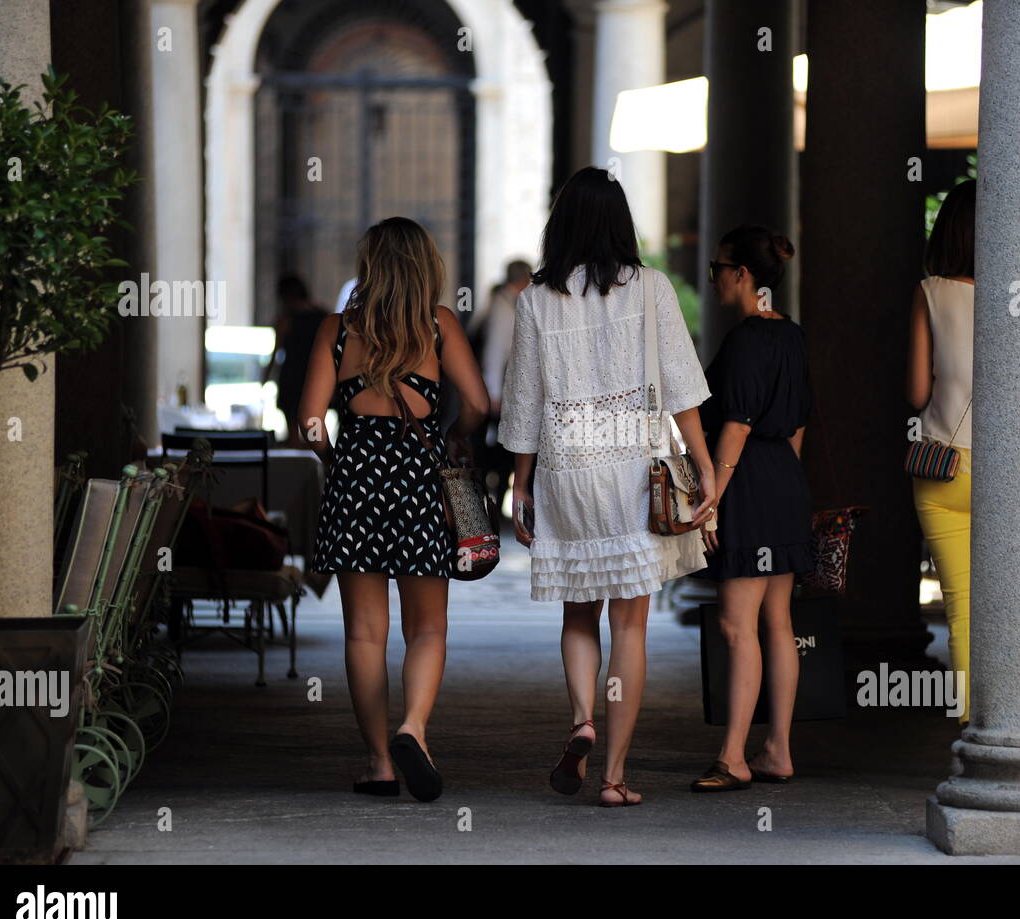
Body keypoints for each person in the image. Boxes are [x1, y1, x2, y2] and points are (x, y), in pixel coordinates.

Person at [497, 167, 718, 807]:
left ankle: (581, 720)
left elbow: (525, 401)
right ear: (621, 223)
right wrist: (702, 463)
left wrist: (521, 484)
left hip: (567, 470)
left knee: (577, 610)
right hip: (634, 472)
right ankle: (616, 775)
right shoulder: (650, 289)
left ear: (559, 225)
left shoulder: (535, 300)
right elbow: (680, 384)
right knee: (631, 627)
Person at [298, 217, 490, 801]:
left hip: (356, 484)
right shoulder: (438, 326)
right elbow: (481, 404)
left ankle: (380, 763)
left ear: (370, 266)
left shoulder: (338, 328)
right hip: (420, 484)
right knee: (428, 627)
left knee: (363, 634)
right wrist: (452, 435)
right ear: (424, 267)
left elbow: (308, 422)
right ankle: (415, 729)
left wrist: (337, 459)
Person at [687, 225, 813, 793]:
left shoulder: (744, 341)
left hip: (746, 484)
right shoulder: (792, 336)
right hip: (785, 479)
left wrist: (712, 500)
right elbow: (800, 423)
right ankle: (777, 751)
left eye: (717, 269)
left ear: (742, 275)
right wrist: (785, 481)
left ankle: (734, 757)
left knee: (737, 625)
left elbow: (734, 426)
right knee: (778, 624)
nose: (711, 279)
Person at [906, 178, 975, 726]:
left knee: (961, 610)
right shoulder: (1018, 290)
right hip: (1006, 472)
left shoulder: (929, 290)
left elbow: (916, 394)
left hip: (941, 467)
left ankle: (970, 731)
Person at [474, 259, 533, 500]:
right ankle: (497, 500)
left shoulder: (507, 302)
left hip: (506, 388)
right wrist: (494, 393)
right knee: (501, 449)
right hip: (502, 392)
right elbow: (495, 352)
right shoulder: (504, 305)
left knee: (502, 447)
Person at [264, 275, 328, 448]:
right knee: (315, 428)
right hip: (317, 378)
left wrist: (266, 376)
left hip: (292, 379)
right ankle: (315, 466)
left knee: (294, 432)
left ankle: (298, 470)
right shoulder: (323, 317)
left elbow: (276, 351)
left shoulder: (286, 319)